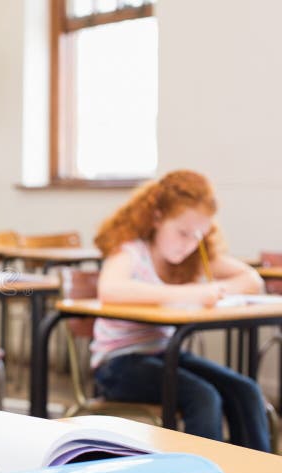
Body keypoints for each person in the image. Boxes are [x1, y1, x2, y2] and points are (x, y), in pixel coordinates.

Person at [90, 169, 270, 451]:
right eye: (183, 232)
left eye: (199, 235)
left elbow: (251, 280)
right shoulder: (131, 252)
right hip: (118, 364)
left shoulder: (189, 259)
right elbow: (110, 289)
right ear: (157, 217)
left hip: (166, 353)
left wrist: (217, 292)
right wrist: (192, 293)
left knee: (244, 390)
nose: (189, 243)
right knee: (203, 396)